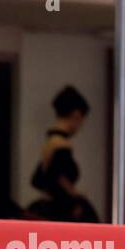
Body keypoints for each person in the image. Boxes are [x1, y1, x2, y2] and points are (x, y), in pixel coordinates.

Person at [28, 86, 98, 223]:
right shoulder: (61, 144)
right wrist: (75, 196)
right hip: (60, 211)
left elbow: (36, 180)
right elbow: (57, 176)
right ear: (76, 115)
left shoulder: (51, 143)